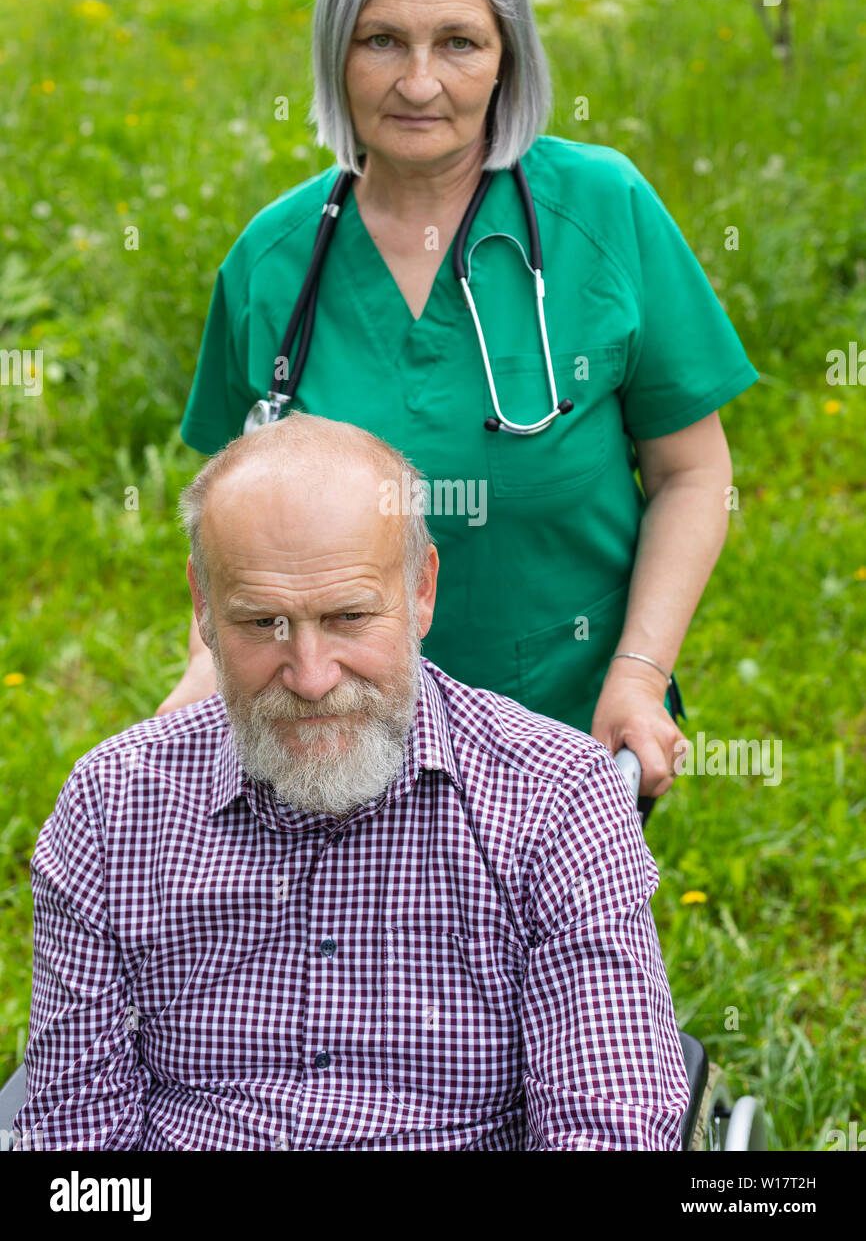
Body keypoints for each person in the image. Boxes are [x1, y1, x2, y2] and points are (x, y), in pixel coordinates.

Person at [159, 0, 759, 805]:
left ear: (508, 57)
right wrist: (201, 685)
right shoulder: (271, 265)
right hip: (331, 740)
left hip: (561, 730)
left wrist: (639, 671)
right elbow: (241, 542)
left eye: (459, 42)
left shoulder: (605, 214)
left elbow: (692, 473)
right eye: (382, 39)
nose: (419, 82)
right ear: (336, 52)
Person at [14, 413, 690, 1151]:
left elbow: (606, 1129)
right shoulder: (113, 808)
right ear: (204, 608)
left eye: (348, 617)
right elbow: (75, 1142)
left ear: (422, 588)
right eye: (263, 622)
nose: (310, 677)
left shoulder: (558, 799)